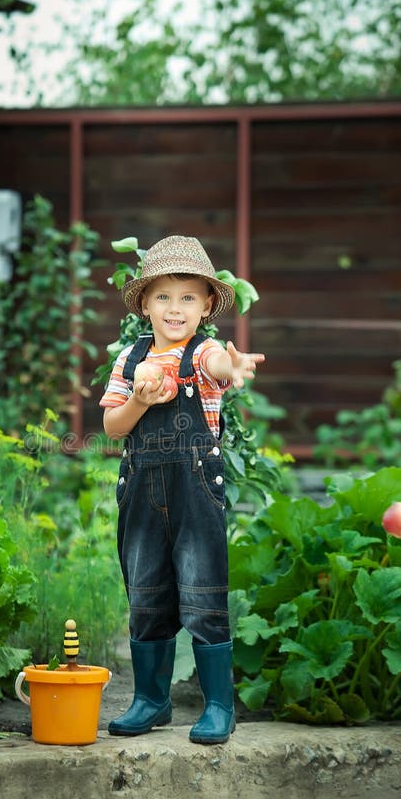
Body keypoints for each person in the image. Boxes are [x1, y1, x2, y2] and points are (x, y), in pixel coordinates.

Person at [100, 234, 265, 744]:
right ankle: (152, 699)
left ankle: (219, 704)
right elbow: (112, 427)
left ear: (207, 306)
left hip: (196, 494)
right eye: (165, 297)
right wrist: (142, 402)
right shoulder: (130, 360)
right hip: (142, 494)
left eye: (188, 297)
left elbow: (216, 364)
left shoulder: (203, 353)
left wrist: (231, 367)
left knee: (201, 593)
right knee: (146, 594)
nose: (176, 308)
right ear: (145, 302)